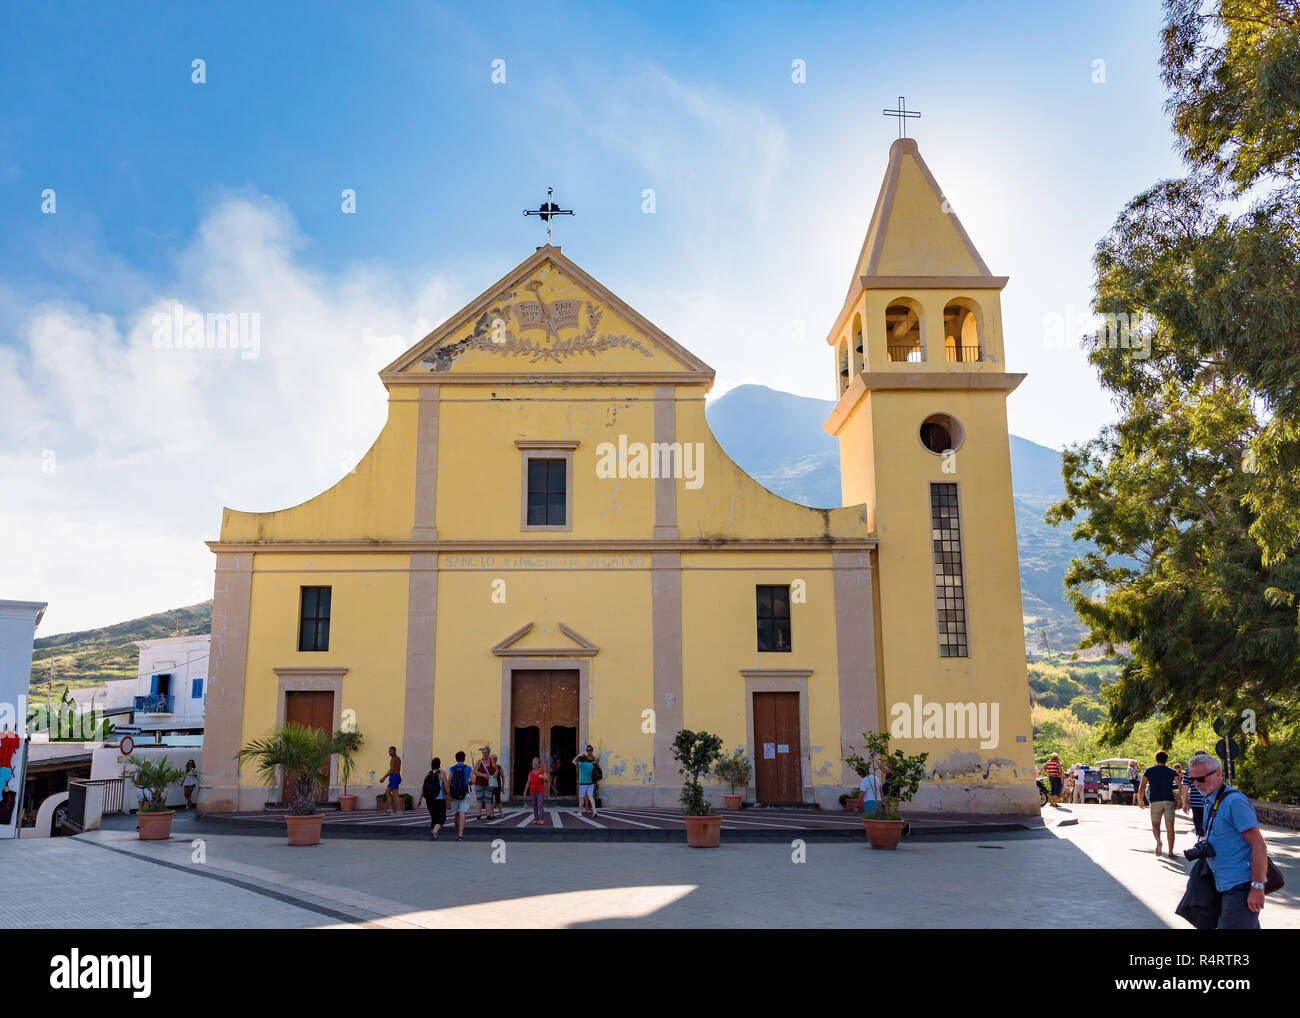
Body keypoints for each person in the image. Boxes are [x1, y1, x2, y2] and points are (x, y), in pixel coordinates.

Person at [1186, 752, 1269, 929]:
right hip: (1221, 883)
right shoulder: (1210, 798)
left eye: (1200, 779)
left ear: (1218, 774)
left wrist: (1257, 887)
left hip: (1240, 885)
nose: (1195, 784)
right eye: (1192, 779)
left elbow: (1259, 845)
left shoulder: (1234, 802)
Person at [1137, 751, 1178, 856]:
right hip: (1168, 801)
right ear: (1166, 760)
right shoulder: (1172, 771)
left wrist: (1140, 799)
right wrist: (1181, 800)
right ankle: (1170, 851)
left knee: (1155, 825)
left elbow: (1142, 785)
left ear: (1156, 759)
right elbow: (1180, 785)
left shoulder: (1149, 770)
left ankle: (1159, 842)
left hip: (1155, 801)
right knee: (1170, 828)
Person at [416, 757, 447, 840]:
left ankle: (434, 835)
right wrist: (449, 796)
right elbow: (446, 787)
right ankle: (434, 831)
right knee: (442, 818)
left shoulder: (428, 774)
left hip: (429, 800)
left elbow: (423, 787)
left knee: (434, 817)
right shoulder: (442, 774)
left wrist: (420, 798)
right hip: (439, 799)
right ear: (439, 765)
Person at [447, 750, 474, 841]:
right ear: (464, 758)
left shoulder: (452, 769)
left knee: (456, 814)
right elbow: (473, 780)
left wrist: (448, 795)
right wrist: (469, 782)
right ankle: (460, 834)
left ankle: (457, 832)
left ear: (456, 759)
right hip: (464, 793)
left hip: (454, 794)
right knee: (462, 813)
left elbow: (449, 782)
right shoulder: (468, 768)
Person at [1184, 750, 1208, 836]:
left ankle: (1202, 845)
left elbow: (1185, 788)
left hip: (1197, 804)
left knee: (1199, 828)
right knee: (1210, 828)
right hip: (1210, 804)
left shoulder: (1189, 770)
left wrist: (1185, 803)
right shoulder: (1213, 769)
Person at [472, 745, 497, 821]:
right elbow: (474, 771)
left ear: (489, 753)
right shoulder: (479, 762)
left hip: (489, 784)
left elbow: (496, 769)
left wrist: (495, 773)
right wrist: (483, 775)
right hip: (479, 783)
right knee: (479, 799)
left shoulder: (492, 760)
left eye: (486, 752)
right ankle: (478, 816)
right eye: (483, 752)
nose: (484, 754)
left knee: (488, 800)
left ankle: (488, 816)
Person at [574, 745, 598, 818]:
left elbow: (573, 761)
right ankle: (594, 810)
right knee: (591, 796)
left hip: (583, 783)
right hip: (590, 783)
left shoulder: (581, 764)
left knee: (581, 798)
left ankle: (579, 812)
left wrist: (578, 755)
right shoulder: (591, 765)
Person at [526, 756, 547, 825]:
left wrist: (543, 777)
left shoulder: (542, 771)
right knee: (534, 805)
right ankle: (536, 818)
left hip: (540, 791)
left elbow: (547, 780)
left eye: (535, 763)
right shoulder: (530, 772)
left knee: (540, 804)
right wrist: (525, 790)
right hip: (532, 791)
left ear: (538, 764)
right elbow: (528, 782)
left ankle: (541, 819)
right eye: (532, 763)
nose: (533, 764)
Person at [382, 745, 402, 813]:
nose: (389, 752)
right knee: (387, 792)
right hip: (396, 777)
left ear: (394, 751)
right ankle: (390, 808)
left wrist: (384, 777)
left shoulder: (394, 759)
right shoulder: (398, 758)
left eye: (390, 751)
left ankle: (399, 810)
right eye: (389, 751)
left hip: (394, 777)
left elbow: (391, 770)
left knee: (395, 794)